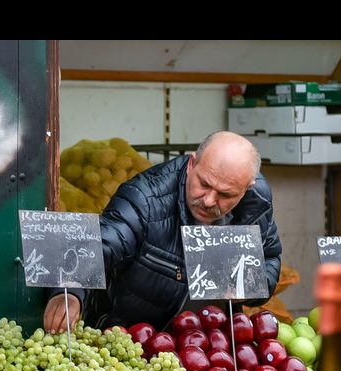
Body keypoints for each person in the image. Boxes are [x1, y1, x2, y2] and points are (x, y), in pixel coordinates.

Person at [43, 131, 282, 333]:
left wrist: (248, 288)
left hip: (209, 348)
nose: (209, 200)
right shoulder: (145, 197)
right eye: (204, 184)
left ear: (246, 188)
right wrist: (70, 290)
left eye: (226, 194)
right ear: (192, 164)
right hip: (137, 340)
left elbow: (269, 258)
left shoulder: (256, 201)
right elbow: (101, 243)